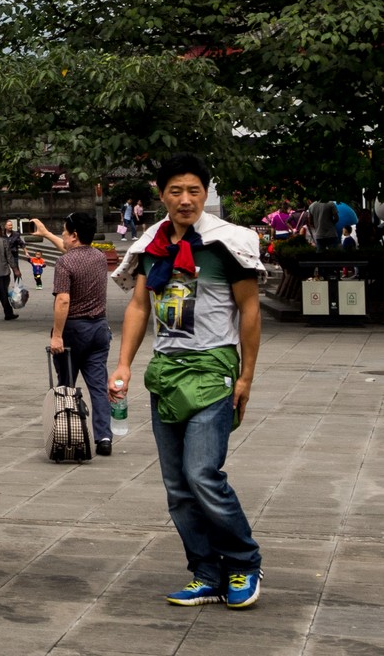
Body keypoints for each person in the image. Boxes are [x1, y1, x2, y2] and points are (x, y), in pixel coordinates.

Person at [111, 154, 264, 609]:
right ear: (161, 195)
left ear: (205, 193)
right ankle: (206, 570)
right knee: (177, 487)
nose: (185, 199)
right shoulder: (152, 243)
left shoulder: (227, 244)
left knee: (202, 475)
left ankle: (243, 562)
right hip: (166, 371)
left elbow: (250, 311)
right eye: (175, 191)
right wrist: (124, 364)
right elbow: (140, 306)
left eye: (194, 190)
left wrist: (246, 377)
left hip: (213, 369)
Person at [33, 213, 113, 455]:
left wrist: (57, 335)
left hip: (74, 330)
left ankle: (67, 430)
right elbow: (70, 250)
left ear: (74, 235)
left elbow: (63, 300)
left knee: (66, 385)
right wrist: (47, 234)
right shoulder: (99, 257)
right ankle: (104, 437)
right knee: (98, 386)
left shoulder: (64, 263)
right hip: (99, 329)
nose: (63, 236)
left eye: (65, 232)